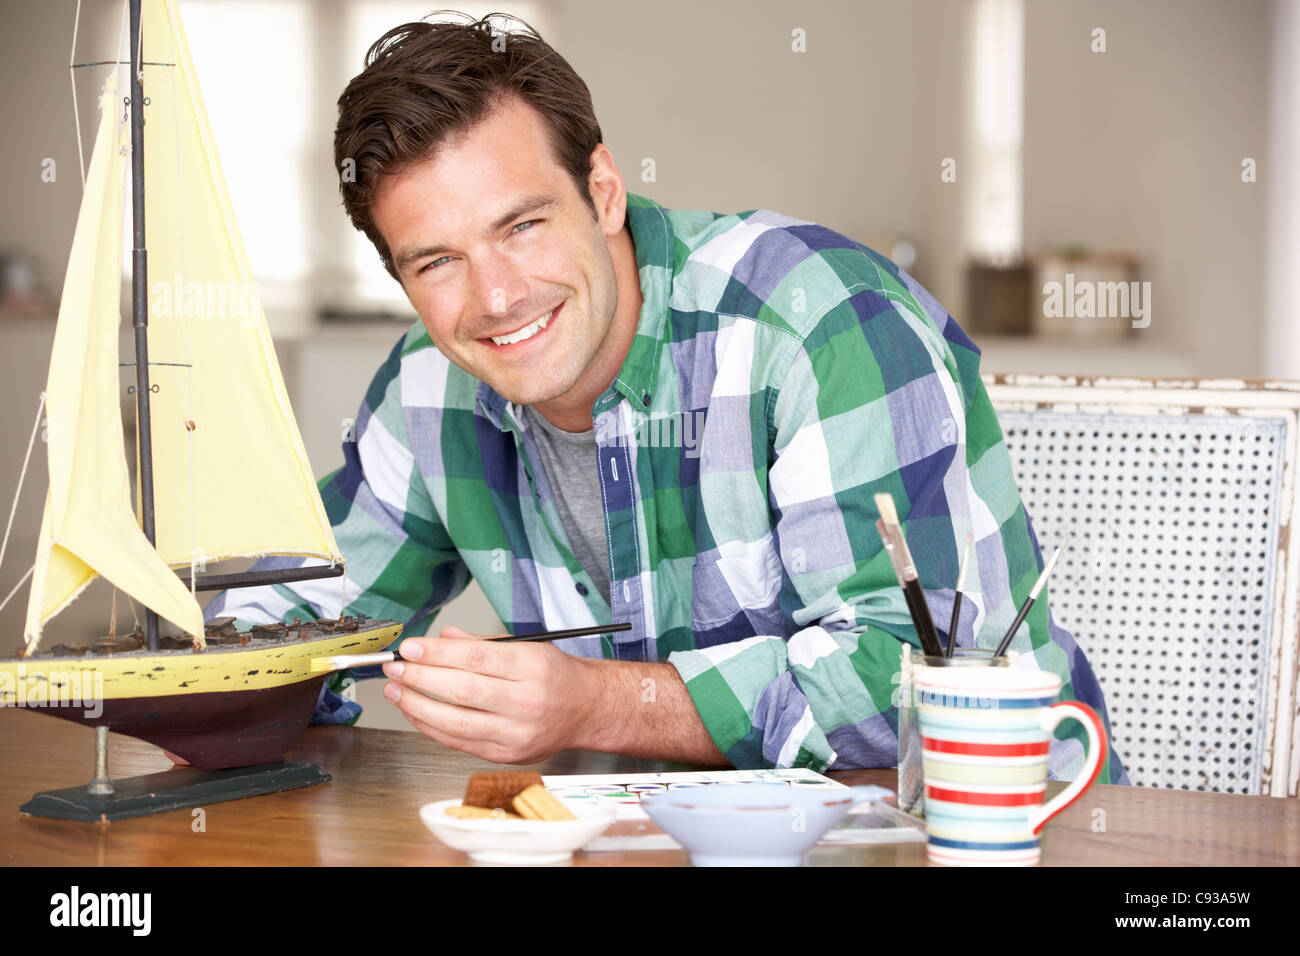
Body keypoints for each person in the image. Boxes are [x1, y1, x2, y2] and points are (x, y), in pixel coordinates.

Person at [206, 12, 1127, 783]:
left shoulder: (820, 322)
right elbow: (300, 628)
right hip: (645, 839)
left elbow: (924, 680)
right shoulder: (427, 386)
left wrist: (595, 704)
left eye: (522, 226)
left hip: (990, 829)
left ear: (601, 191)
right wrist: (185, 666)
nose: (494, 299)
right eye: (437, 261)